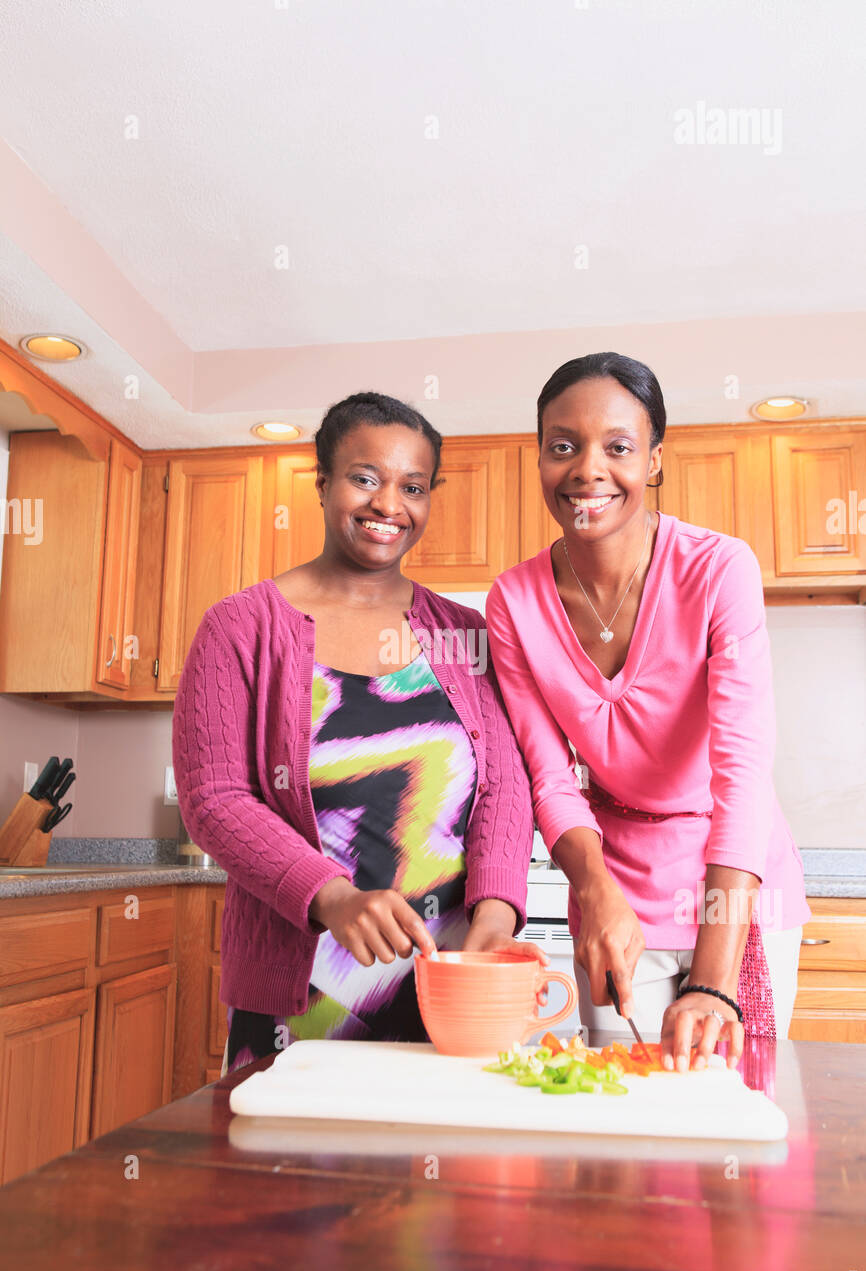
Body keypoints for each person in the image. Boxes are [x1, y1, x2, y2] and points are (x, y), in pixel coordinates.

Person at [171, 392, 539, 1075]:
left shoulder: (465, 636)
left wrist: (496, 913)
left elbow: (505, 788)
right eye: (365, 478)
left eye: (413, 487)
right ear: (323, 483)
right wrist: (331, 897)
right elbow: (214, 800)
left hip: (449, 984)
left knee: (440, 1176)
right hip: (301, 988)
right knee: (285, 1174)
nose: (387, 505)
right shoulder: (240, 628)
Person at [484, 352, 810, 1072]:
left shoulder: (719, 569)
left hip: (734, 883)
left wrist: (716, 981)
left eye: (619, 447)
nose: (587, 470)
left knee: (731, 1108)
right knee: (624, 1116)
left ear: (655, 458)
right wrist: (595, 891)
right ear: (539, 458)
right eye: (562, 446)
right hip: (615, 889)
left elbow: (742, 775)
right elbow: (549, 777)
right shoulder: (514, 601)